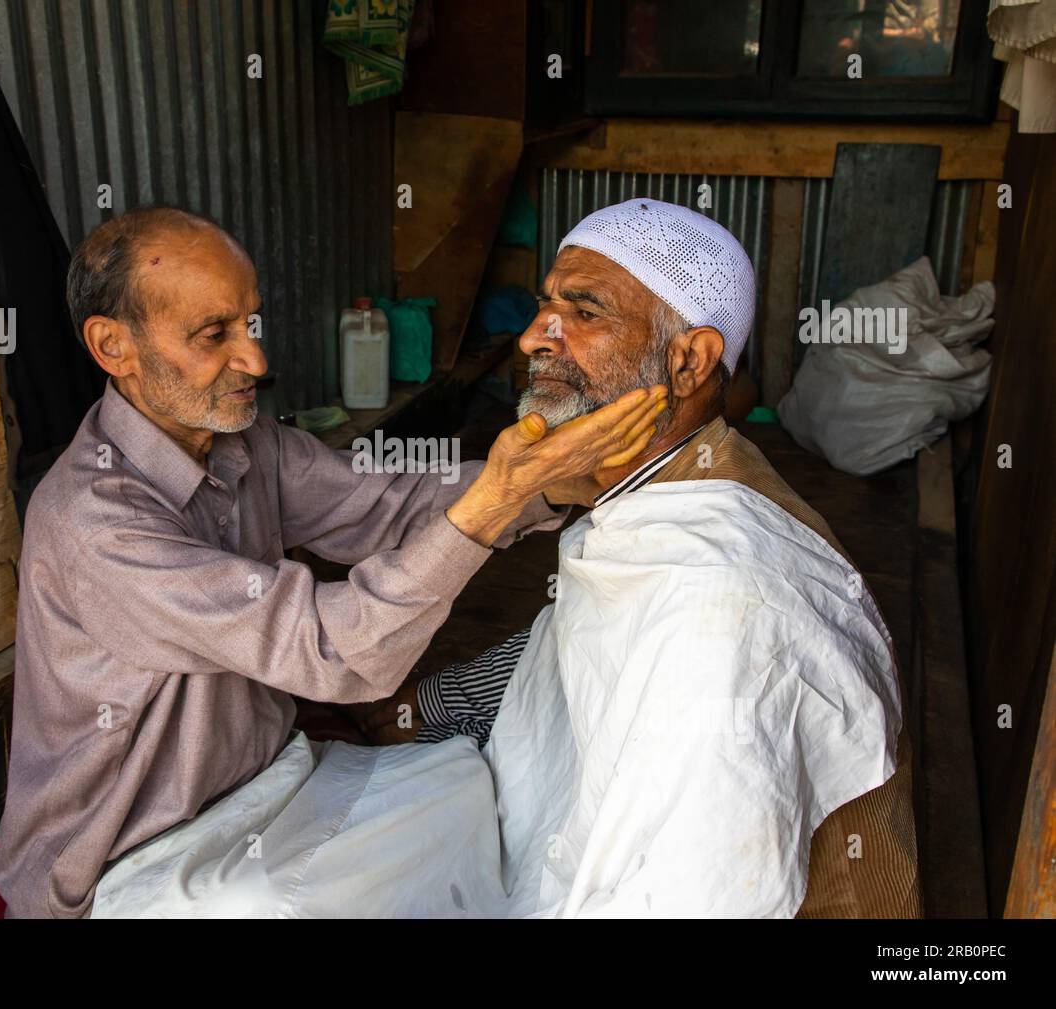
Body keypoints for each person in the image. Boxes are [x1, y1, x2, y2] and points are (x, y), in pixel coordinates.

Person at [0, 205, 665, 918]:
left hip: (267, 783)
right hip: (130, 857)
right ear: (112, 346)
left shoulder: (246, 442)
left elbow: (385, 506)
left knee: (464, 791)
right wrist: (497, 499)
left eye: (250, 322)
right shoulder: (93, 524)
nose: (254, 358)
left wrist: (546, 481)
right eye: (214, 334)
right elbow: (328, 649)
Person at [384, 198, 922, 917]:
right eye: (546, 307)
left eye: (584, 313)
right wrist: (426, 708)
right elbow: (575, 642)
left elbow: (694, 892)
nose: (534, 340)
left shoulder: (722, 611)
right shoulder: (669, 483)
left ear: (689, 359)